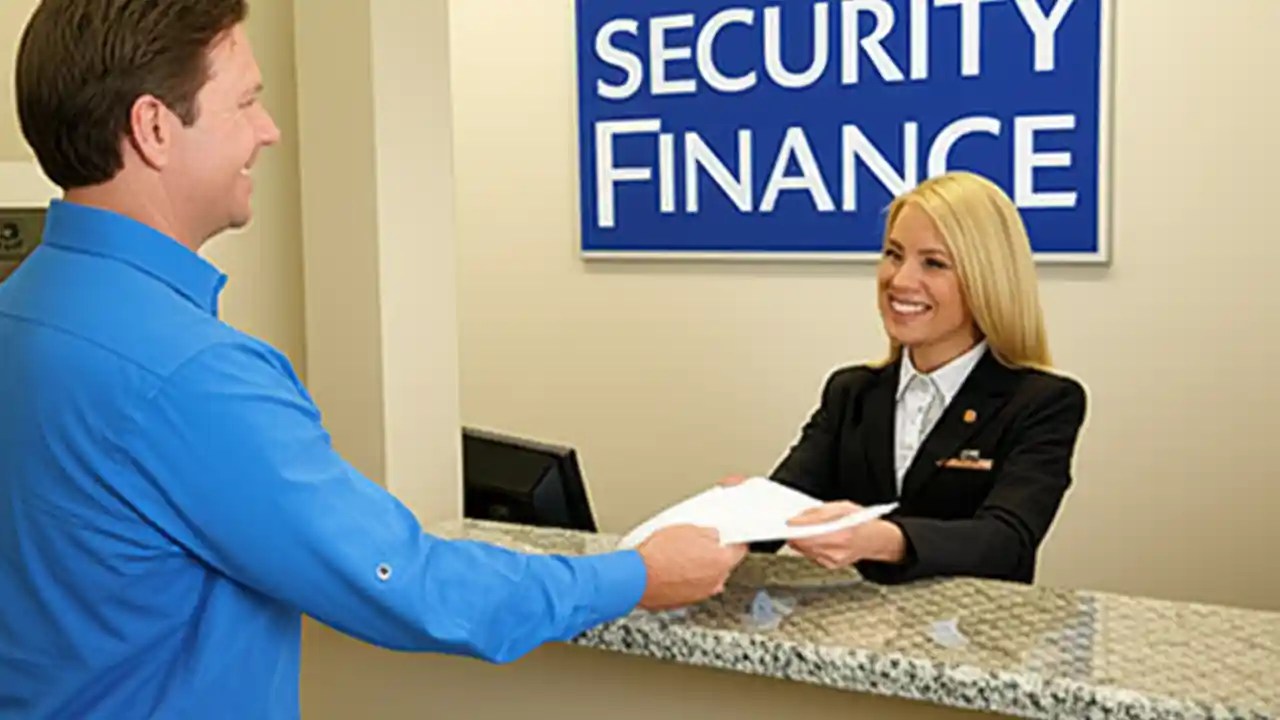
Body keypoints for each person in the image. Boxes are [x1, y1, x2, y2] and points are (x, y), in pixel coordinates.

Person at [0, 1, 746, 717]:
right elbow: (406, 583)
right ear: (155, 128)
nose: (269, 132)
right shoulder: (194, 376)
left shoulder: (21, 311)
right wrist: (636, 575)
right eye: (245, 104)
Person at [724, 171, 1087, 586]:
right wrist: (738, 514)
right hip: (853, 637)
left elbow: (1006, 542)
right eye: (894, 255)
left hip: (976, 642)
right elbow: (787, 505)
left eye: (933, 263)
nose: (899, 281)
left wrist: (880, 540)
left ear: (987, 280)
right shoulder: (851, 393)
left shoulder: (1042, 402)